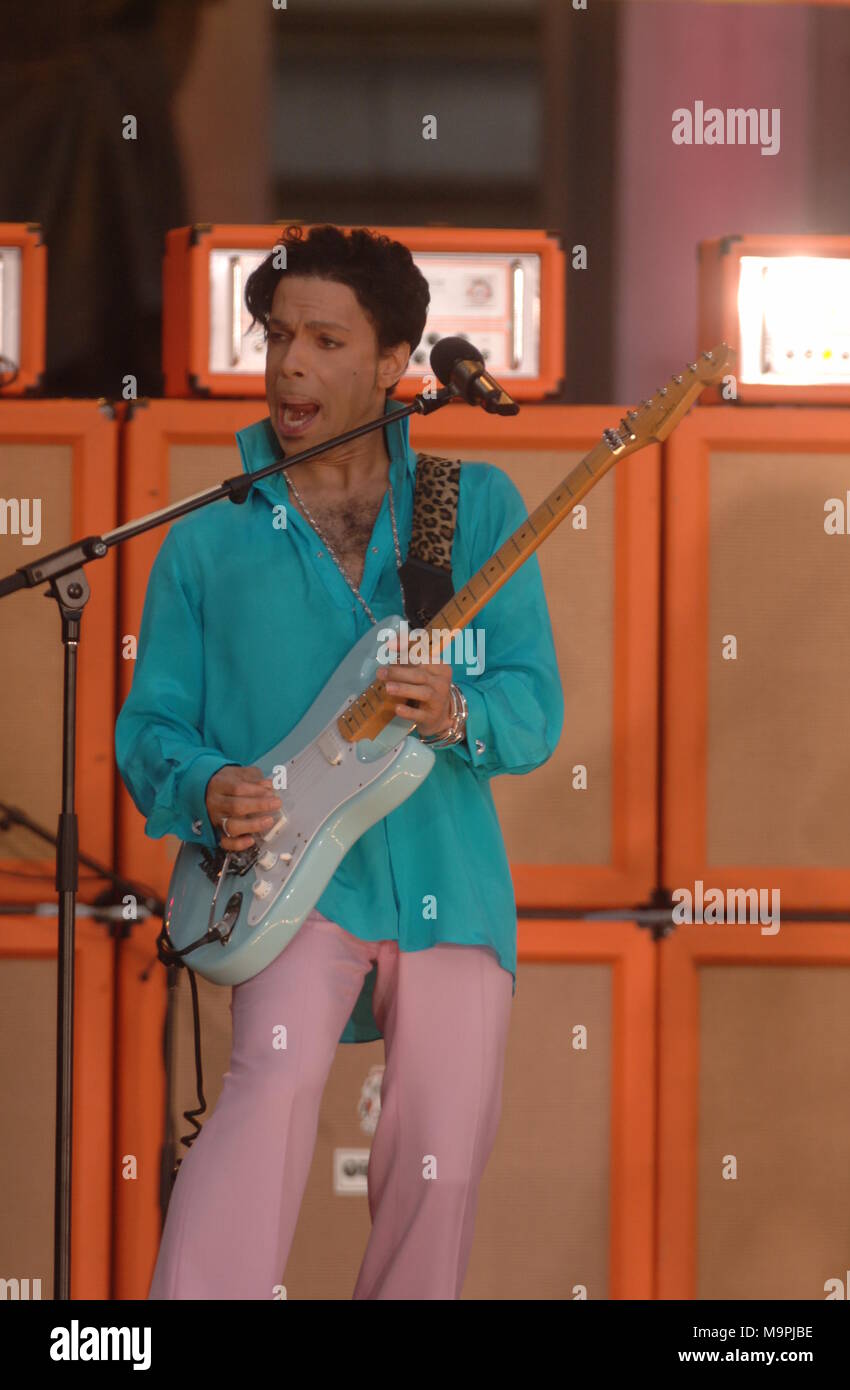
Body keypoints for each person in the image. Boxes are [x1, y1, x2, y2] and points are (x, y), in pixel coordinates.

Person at [115, 222, 565, 1299]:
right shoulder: (207, 536)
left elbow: (535, 708)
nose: (289, 364)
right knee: (263, 1095)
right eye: (277, 335)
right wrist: (201, 786)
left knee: (438, 1160)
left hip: (447, 885)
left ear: (394, 362)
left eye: (323, 338)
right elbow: (150, 727)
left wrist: (458, 706)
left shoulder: (473, 507)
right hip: (281, 881)